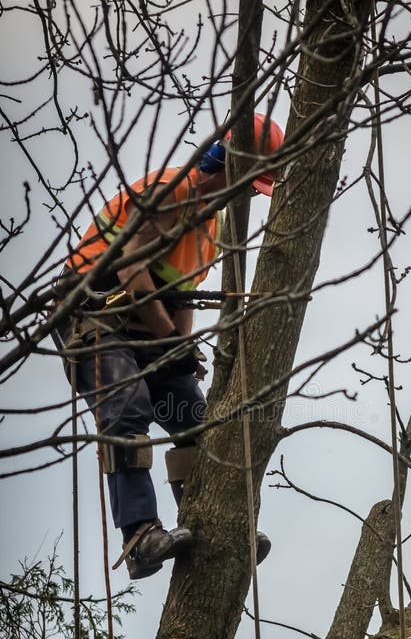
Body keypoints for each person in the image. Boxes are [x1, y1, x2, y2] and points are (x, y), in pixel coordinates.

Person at [53, 113, 284, 579]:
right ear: (223, 164)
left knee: (195, 419)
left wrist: (181, 350)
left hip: (146, 325)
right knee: (127, 404)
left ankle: (213, 524)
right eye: (244, 184)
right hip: (94, 313)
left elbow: (180, 300)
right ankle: (139, 536)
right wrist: (169, 339)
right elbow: (134, 278)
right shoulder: (165, 193)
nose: (243, 197)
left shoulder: (209, 231)